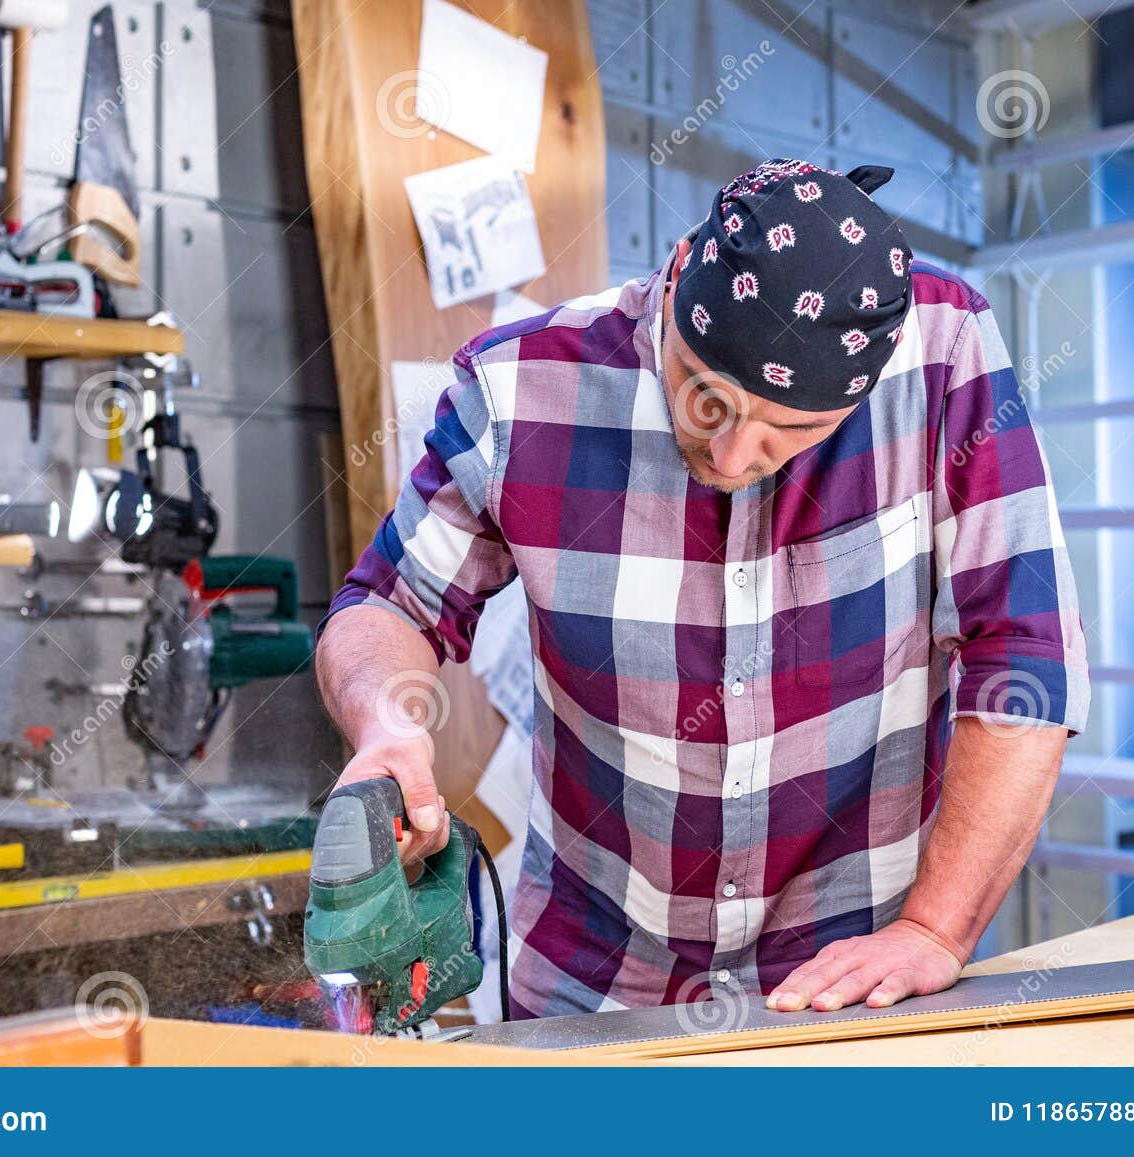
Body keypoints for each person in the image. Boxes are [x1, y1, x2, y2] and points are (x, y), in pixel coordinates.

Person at [316, 158, 1089, 1019]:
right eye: (705, 396)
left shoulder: (942, 353)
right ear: (679, 271)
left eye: (788, 432)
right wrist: (386, 720)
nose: (729, 458)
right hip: (594, 982)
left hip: (848, 981)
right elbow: (387, 606)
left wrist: (936, 931)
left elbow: (1025, 649)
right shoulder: (518, 390)